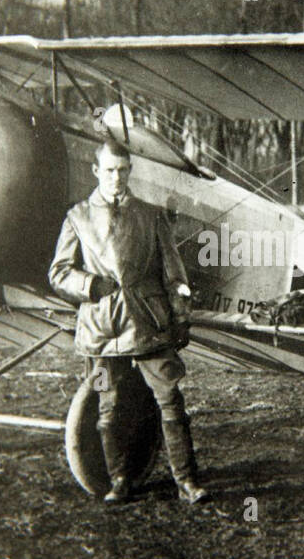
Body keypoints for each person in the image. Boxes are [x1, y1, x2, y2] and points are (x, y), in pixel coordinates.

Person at [48, 138, 209, 505]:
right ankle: (120, 480)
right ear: (95, 171)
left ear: (129, 171)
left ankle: (186, 481)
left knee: (170, 399)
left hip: (149, 325)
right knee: (108, 405)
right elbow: (58, 274)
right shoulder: (77, 217)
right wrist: (90, 284)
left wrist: (180, 315)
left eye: (122, 170)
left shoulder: (152, 216)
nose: (116, 178)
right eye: (109, 170)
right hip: (102, 330)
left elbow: (175, 275)